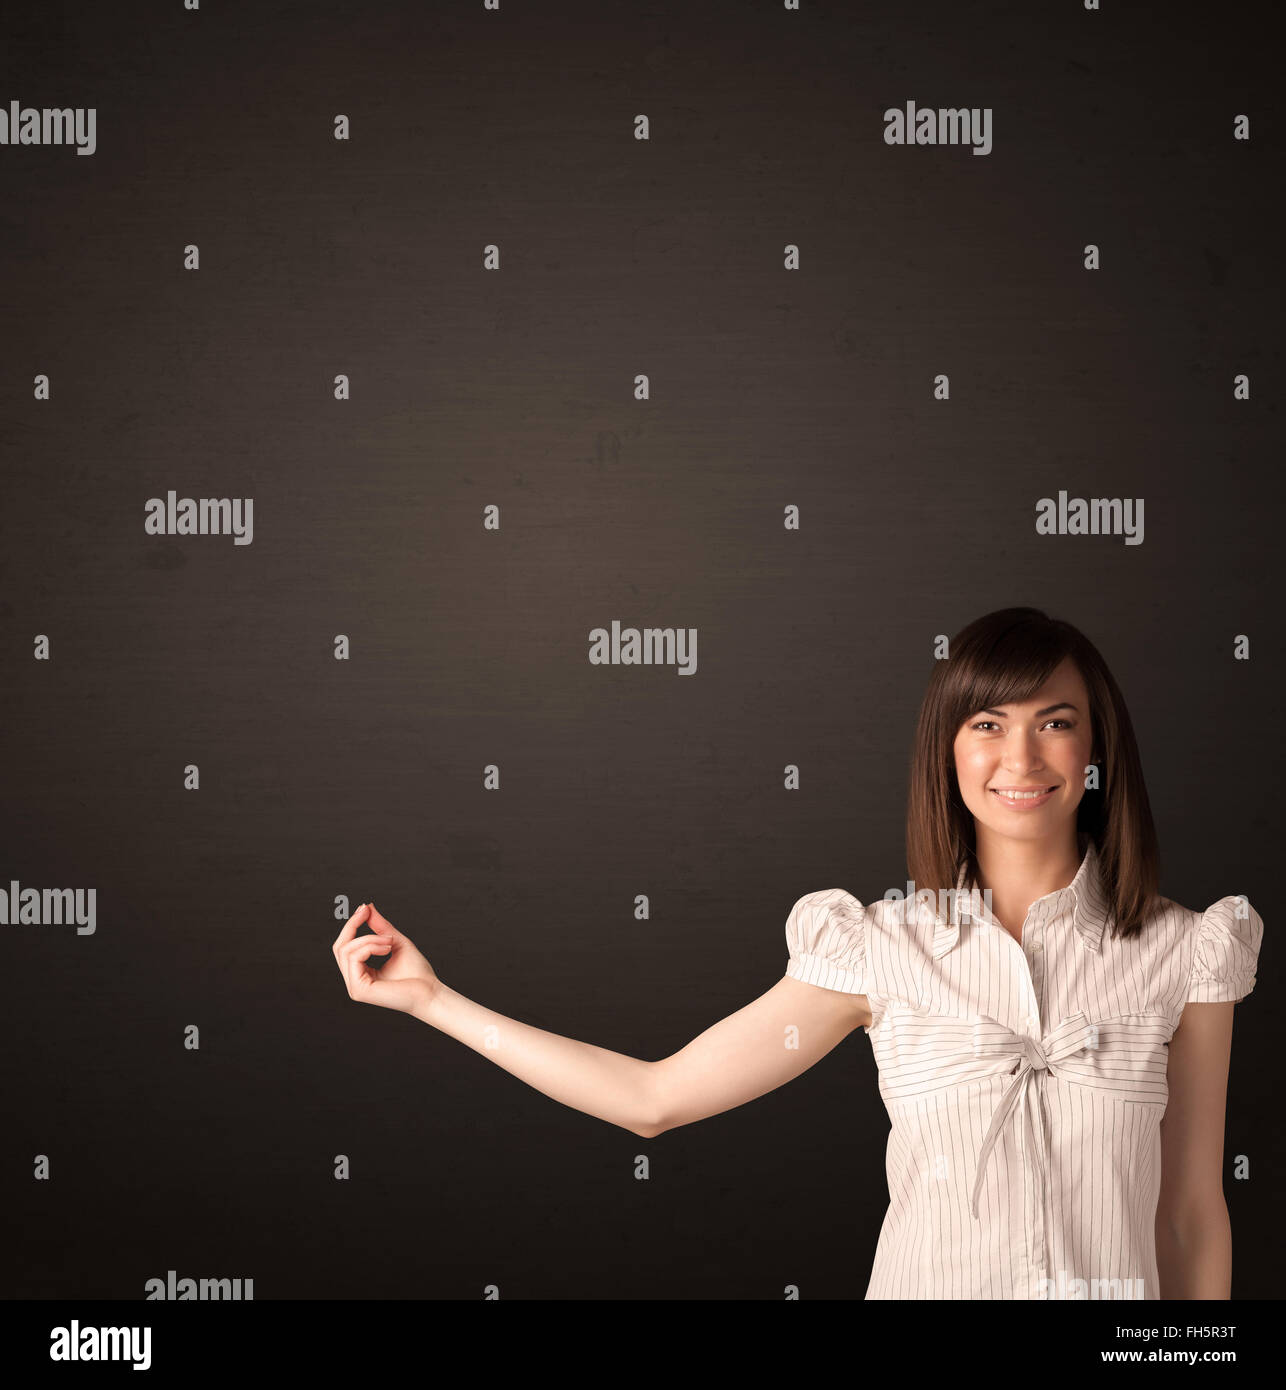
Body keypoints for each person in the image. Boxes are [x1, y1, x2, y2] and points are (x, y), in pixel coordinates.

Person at [330, 606, 1262, 1299]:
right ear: (948, 752)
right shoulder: (877, 947)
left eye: (1054, 721)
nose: (1021, 756)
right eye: (987, 723)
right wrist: (432, 1000)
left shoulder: (1186, 953)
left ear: (1097, 750)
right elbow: (654, 1100)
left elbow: (1187, 1213)